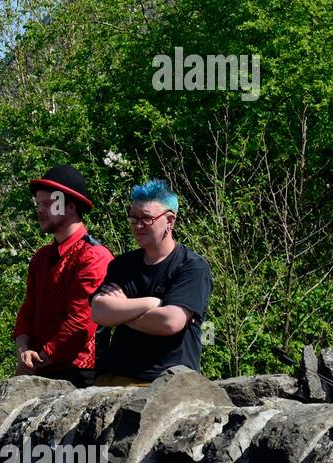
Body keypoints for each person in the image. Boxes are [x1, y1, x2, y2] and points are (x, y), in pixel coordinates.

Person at [91, 179, 212, 385]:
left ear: (170, 221)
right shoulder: (122, 265)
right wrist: (150, 303)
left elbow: (170, 322)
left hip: (167, 382)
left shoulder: (192, 267)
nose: (138, 226)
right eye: (133, 218)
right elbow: (99, 312)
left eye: (146, 218)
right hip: (115, 377)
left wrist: (120, 313)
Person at [13, 165, 114, 387]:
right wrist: (23, 350)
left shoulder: (94, 256)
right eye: (38, 204)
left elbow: (81, 322)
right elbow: (28, 309)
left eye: (48, 204)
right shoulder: (41, 257)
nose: (40, 210)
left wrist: (38, 359)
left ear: (70, 206)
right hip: (41, 366)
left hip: (81, 373)